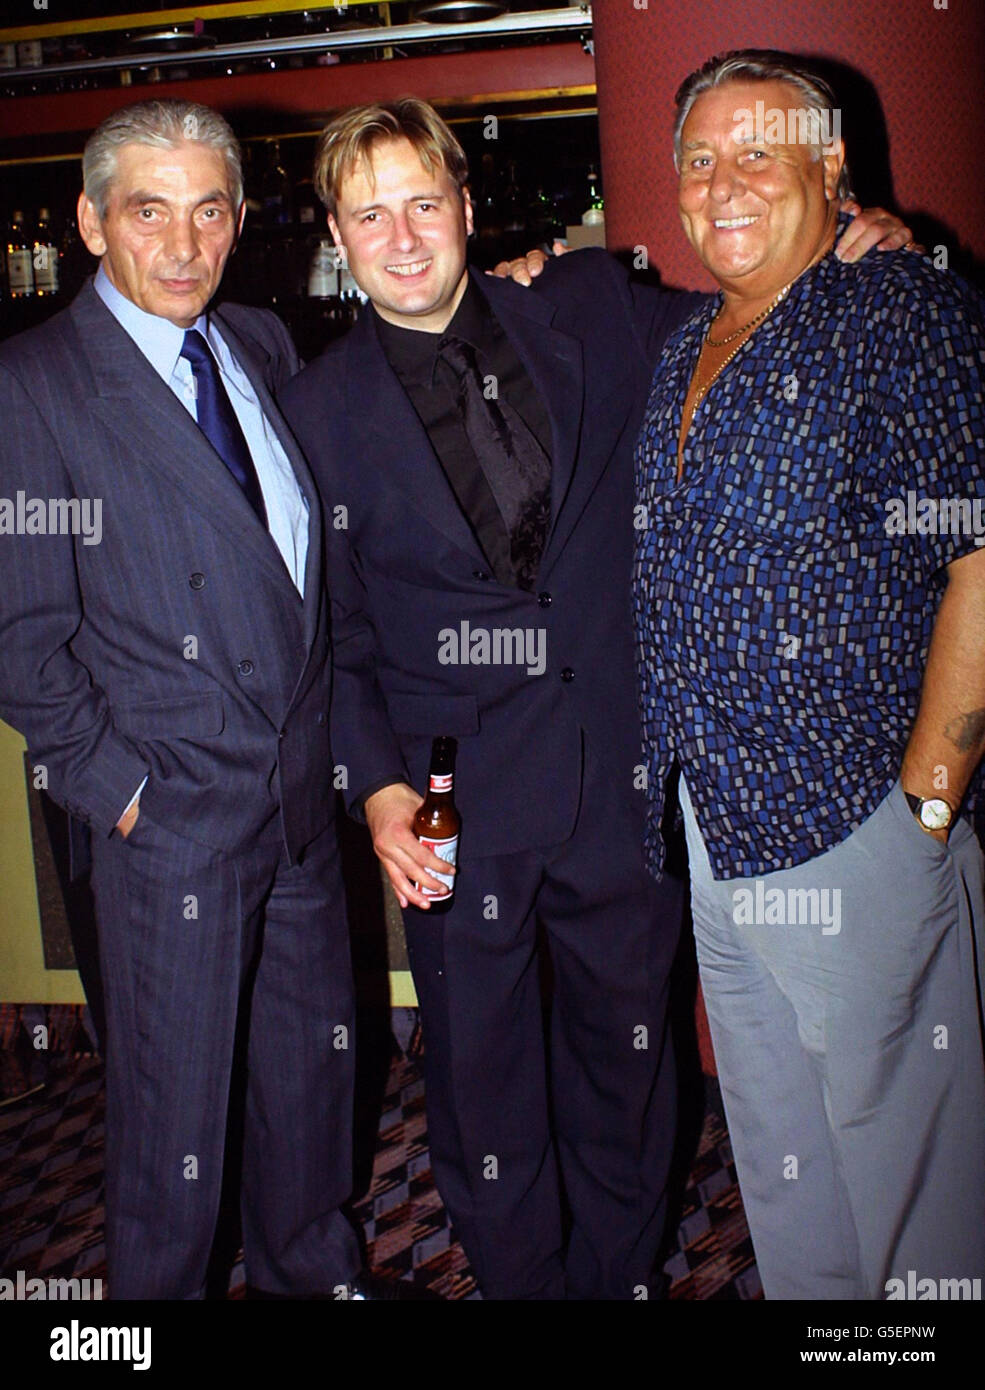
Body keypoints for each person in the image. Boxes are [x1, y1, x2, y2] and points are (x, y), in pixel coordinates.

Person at [278, 98, 906, 1300]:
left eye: (423, 203)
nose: (402, 237)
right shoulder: (314, 413)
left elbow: (754, 311)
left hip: (621, 775)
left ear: (467, 208)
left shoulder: (584, 305)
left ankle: (619, 1278)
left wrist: (848, 237)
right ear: (337, 236)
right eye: (370, 214)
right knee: (481, 1078)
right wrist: (383, 797)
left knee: (627, 1065)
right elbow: (334, 640)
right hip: (455, 808)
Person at [634, 50, 985, 1299]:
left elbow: (979, 561)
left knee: (914, 1189)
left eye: (756, 153)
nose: (720, 184)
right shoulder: (683, 342)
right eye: (697, 159)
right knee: (783, 1169)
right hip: (717, 830)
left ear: (831, 168)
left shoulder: (902, 312)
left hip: (856, 827)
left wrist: (927, 807)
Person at [0, 99, 364, 1300]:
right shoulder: (35, 383)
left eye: (209, 210)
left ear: (240, 219)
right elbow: (19, 637)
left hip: (297, 807)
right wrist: (127, 801)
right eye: (148, 211)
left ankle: (315, 1274)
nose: (183, 244)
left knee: (308, 1088)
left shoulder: (258, 339)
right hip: (172, 828)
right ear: (92, 223)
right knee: (174, 1137)